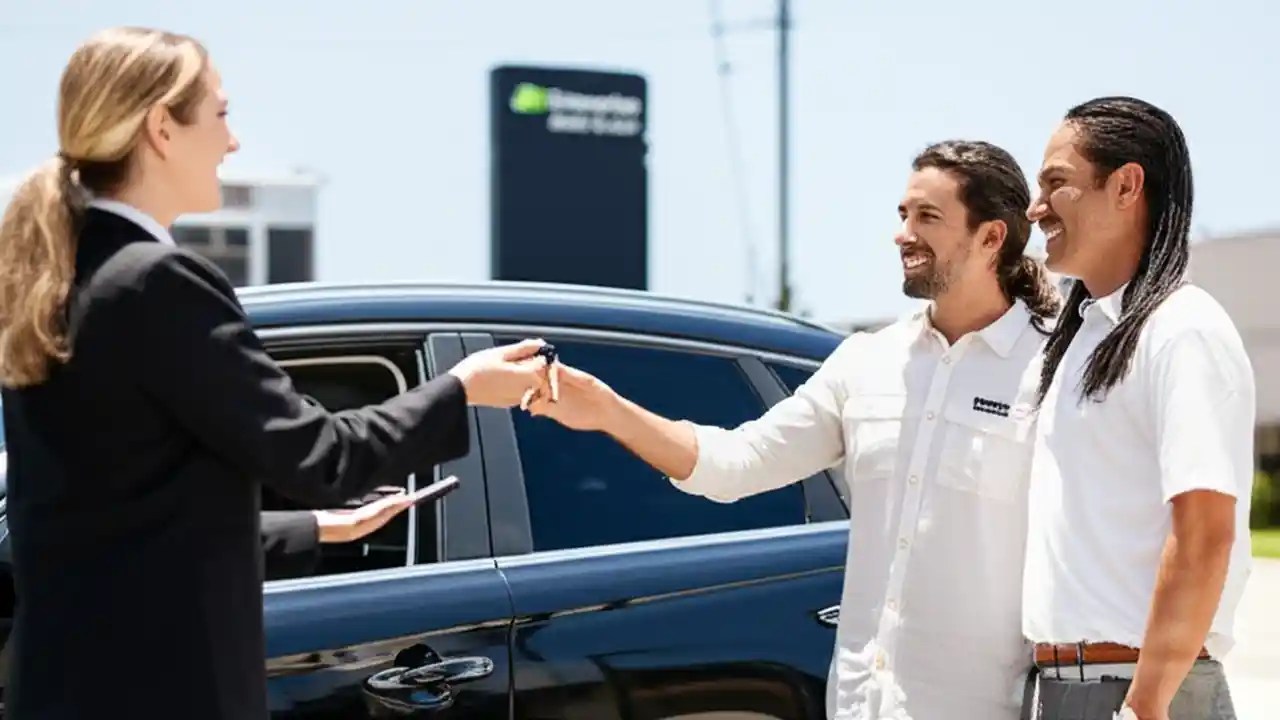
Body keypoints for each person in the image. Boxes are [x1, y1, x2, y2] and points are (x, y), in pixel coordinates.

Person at [0, 27, 550, 720]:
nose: (232, 142)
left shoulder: (56, 281)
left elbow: (119, 516)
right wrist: (463, 389)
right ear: (161, 128)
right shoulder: (156, 282)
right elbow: (321, 456)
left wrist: (321, 529)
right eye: (220, 113)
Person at [527, 140, 1061, 720]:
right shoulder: (866, 362)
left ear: (991, 237)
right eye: (903, 214)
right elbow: (736, 464)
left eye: (927, 217)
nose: (903, 234)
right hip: (860, 705)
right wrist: (607, 410)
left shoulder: (1055, 370)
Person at [1021, 96, 1253, 720]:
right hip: (1065, 687)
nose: (1035, 208)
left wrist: (1145, 705)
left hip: (1143, 693)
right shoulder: (1081, 337)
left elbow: (1204, 532)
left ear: (1125, 186)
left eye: (1055, 183)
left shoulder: (1183, 328)